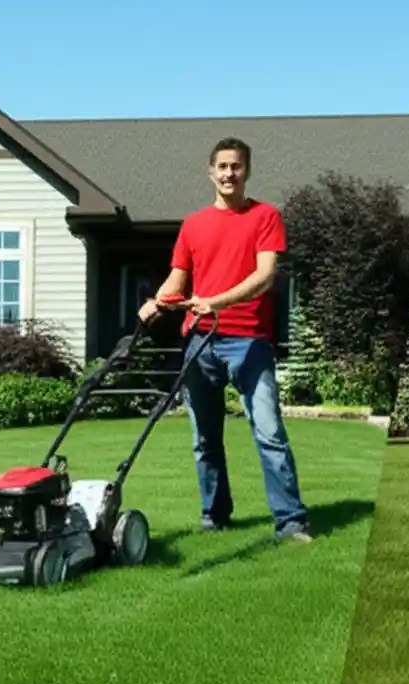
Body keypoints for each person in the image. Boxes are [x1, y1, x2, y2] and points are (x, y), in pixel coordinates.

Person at [139, 137, 311, 544]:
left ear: (246, 171)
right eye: (222, 166)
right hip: (199, 340)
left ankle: (291, 523)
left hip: (250, 341)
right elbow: (178, 281)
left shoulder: (265, 216)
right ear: (210, 172)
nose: (229, 173)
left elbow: (265, 276)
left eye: (236, 166)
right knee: (204, 438)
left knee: (269, 433)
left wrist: (215, 301)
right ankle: (214, 516)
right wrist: (156, 303)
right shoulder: (194, 225)